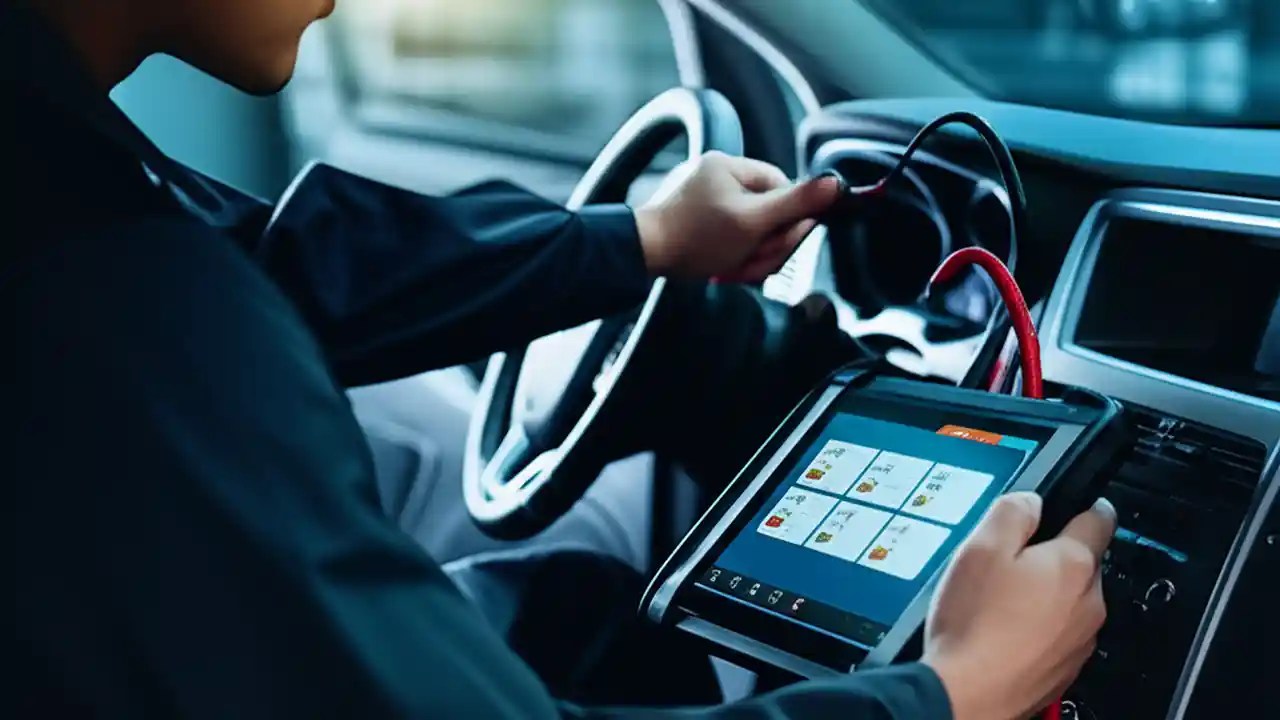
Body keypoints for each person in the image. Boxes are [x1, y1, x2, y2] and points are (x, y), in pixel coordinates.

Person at [7, 1, 1116, 718]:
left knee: (572, 612)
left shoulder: (59, 172)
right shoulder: (113, 298)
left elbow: (274, 264)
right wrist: (951, 693)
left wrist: (641, 239)